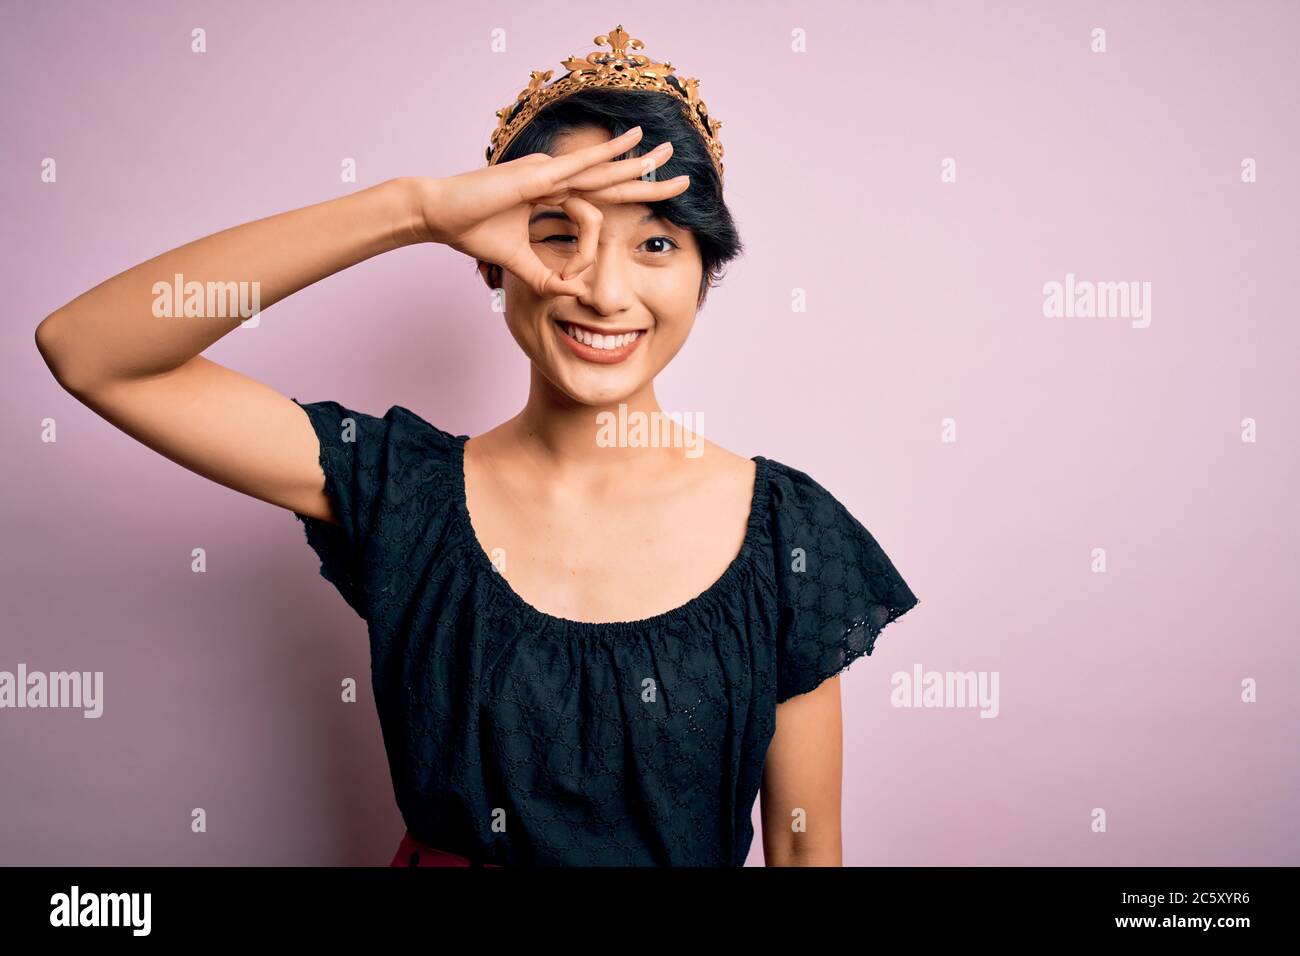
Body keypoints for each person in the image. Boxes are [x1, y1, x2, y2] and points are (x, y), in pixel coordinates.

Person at [34, 24, 919, 867]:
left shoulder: (785, 532)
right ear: (491, 257)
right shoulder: (401, 490)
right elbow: (93, 353)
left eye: (657, 242)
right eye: (557, 232)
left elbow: (805, 848)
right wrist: (412, 210)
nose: (604, 289)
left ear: (706, 273)